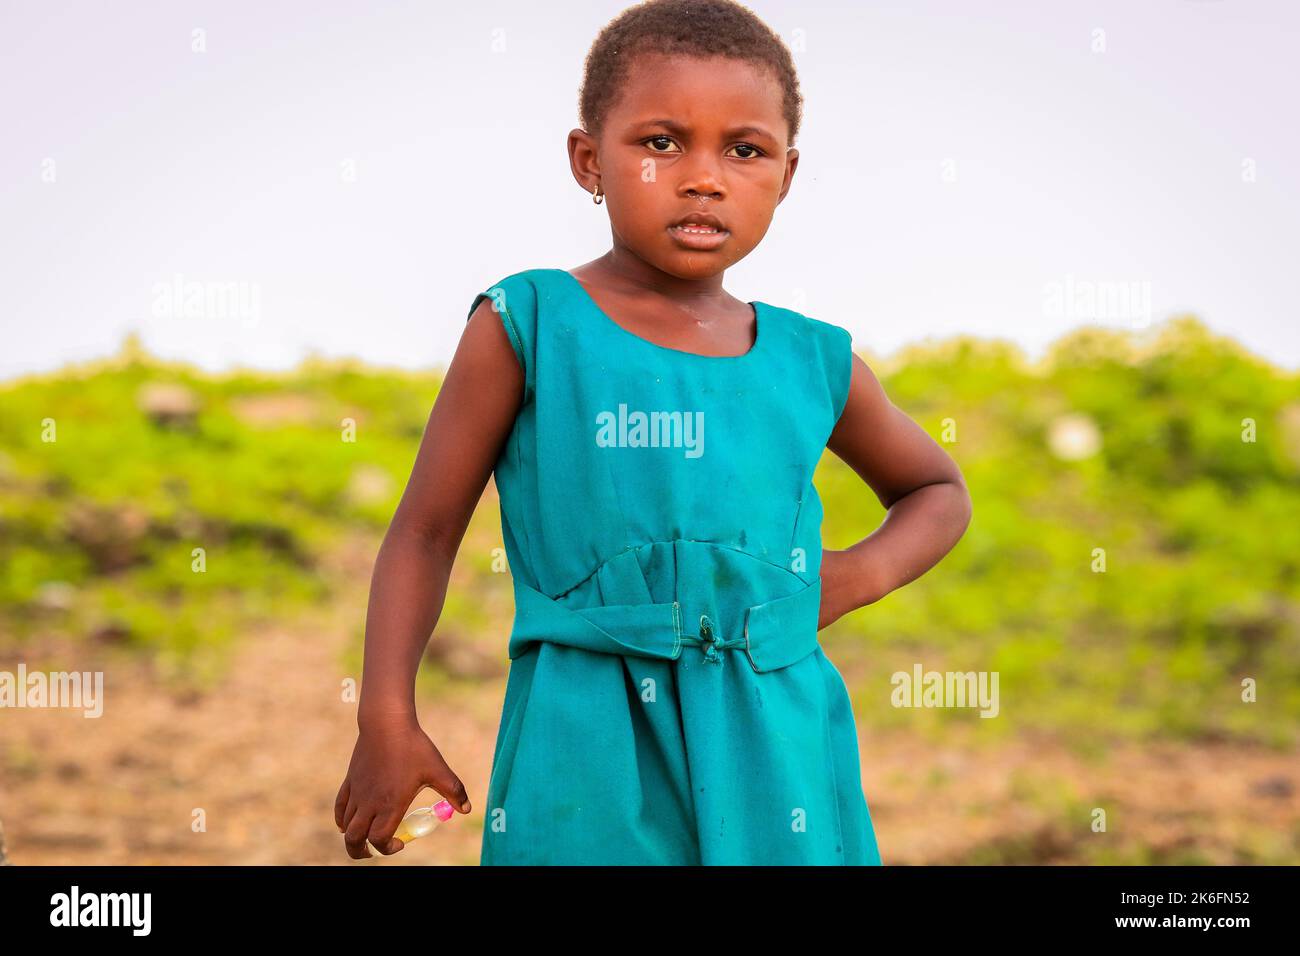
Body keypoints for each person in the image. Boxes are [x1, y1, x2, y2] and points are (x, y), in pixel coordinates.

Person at [336, 0, 971, 865]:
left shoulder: (810, 358)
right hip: (587, 739)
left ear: (785, 174)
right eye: (661, 143)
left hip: (778, 741)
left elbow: (937, 491)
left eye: (743, 151)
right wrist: (387, 718)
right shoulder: (529, 323)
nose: (703, 177)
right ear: (589, 161)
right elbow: (423, 531)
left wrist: (849, 579)